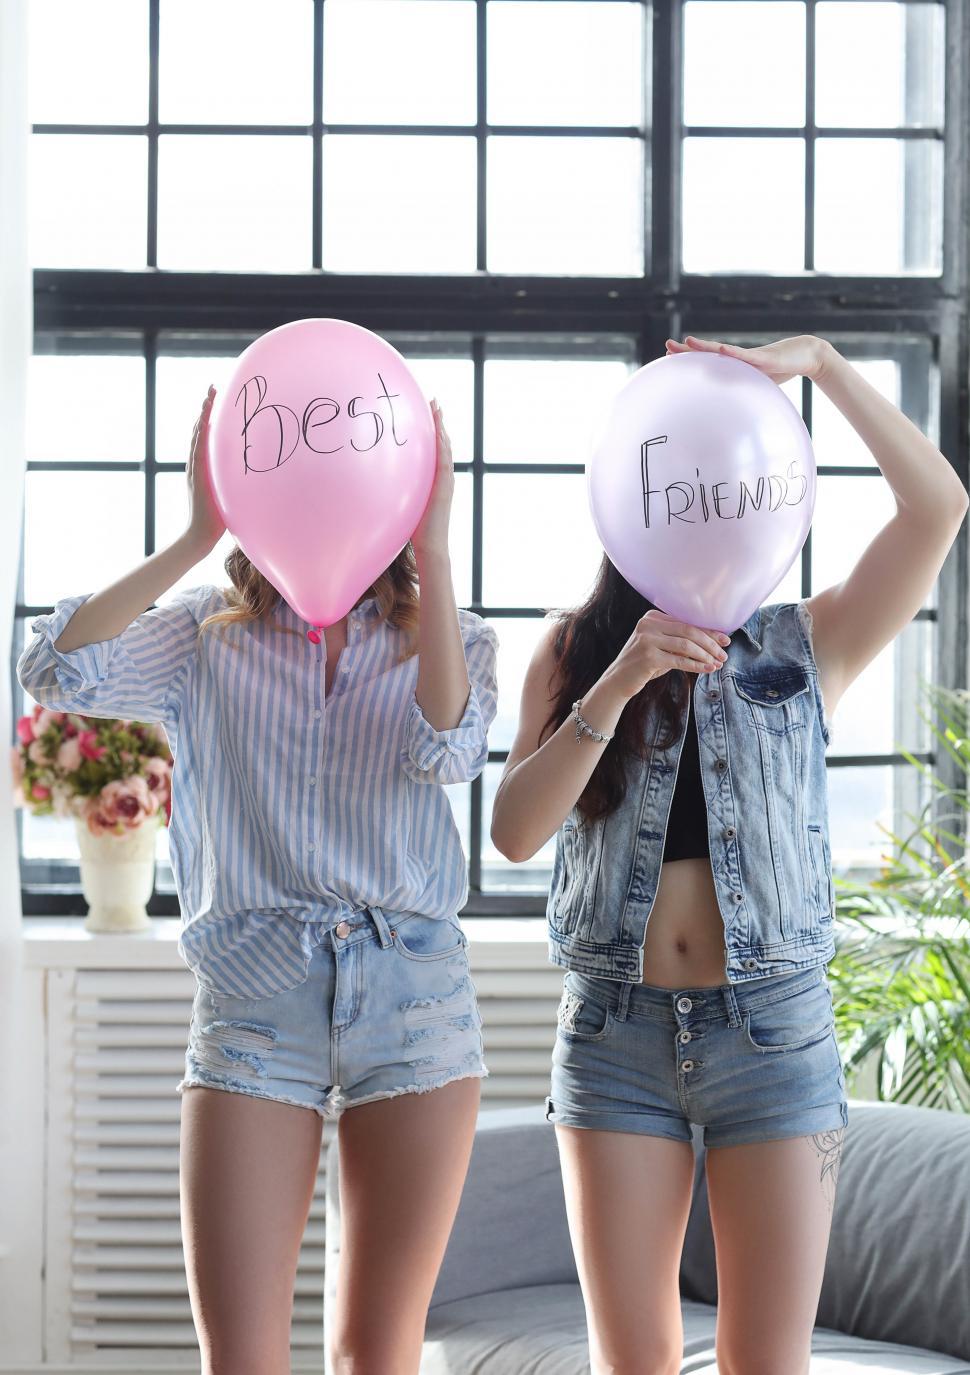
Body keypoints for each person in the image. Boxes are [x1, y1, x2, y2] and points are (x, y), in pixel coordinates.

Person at [490, 333, 968, 1375]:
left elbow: (938, 508)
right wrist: (614, 686)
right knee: (634, 1364)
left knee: (767, 1365)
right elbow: (515, 831)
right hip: (615, 1037)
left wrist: (827, 368)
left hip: (774, 1035)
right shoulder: (573, 649)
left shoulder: (807, 642)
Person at [17, 387, 498, 1375]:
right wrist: (197, 533)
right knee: (240, 1358)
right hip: (254, 996)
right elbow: (51, 669)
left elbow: (449, 750)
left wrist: (437, 550)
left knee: (379, 1352)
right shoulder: (203, 634)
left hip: (412, 993)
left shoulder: (455, 635)